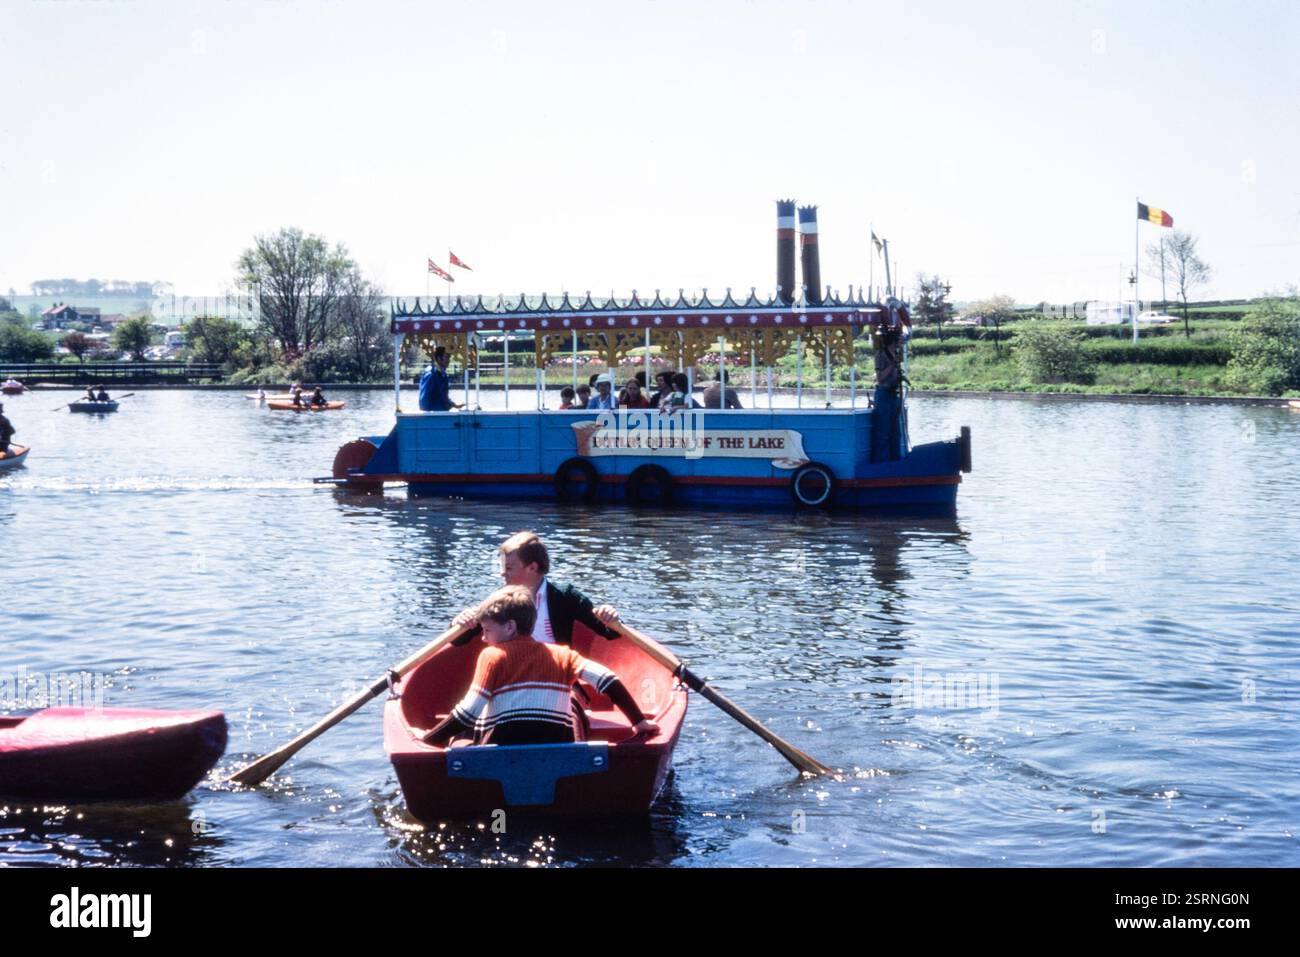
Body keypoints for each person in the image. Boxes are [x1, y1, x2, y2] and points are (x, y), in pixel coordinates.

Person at [418, 586, 658, 747]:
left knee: (461, 737)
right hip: (557, 751)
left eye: (487, 630)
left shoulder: (492, 655)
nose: (483, 638)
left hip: (502, 751)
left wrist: (427, 740)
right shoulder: (562, 654)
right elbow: (607, 678)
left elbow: (468, 712)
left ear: (510, 627)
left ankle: (496, 820)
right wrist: (638, 722)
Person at [450, 531, 623, 647]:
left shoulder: (565, 597)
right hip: (512, 676)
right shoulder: (500, 601)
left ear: (532, 568)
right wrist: (459, 621)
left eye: (509, 568)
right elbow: (457, 640)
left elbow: (611, 633)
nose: (502, 573)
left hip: (555, 675)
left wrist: (610, 616)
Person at [418, 347, 463, 412]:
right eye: (447, 357)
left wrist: (454, 405)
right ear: (439, 358)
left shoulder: (442, 374)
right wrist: (427, 417)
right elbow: (424, 399)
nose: (449, 360)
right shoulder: (431, 374)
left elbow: (443, 397)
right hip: (434, 415)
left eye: (449, 357)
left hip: (441, 413)